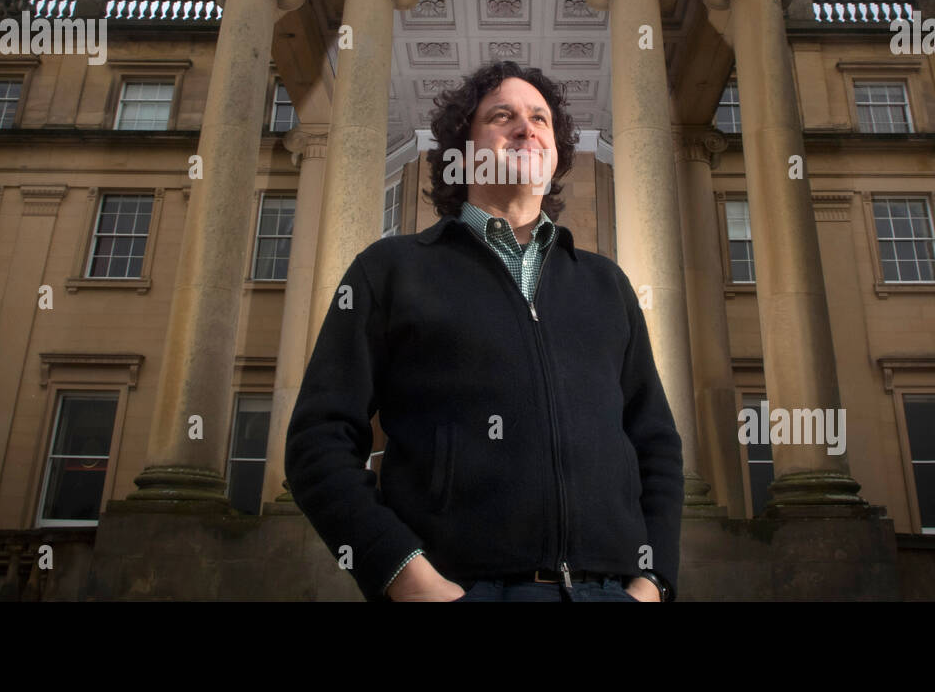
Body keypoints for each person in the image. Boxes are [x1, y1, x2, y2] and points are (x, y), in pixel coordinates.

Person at [284, 60, 683, 602]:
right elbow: (318, 442)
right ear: (461, 150)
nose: (527, 128)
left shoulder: (606, 284)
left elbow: (655, 444)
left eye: (541, 119)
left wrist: (652, 581)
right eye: (504, 116)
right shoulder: (391, 270)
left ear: (556, 150)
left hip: (611, 591)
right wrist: (409, 579)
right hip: (466, 590)